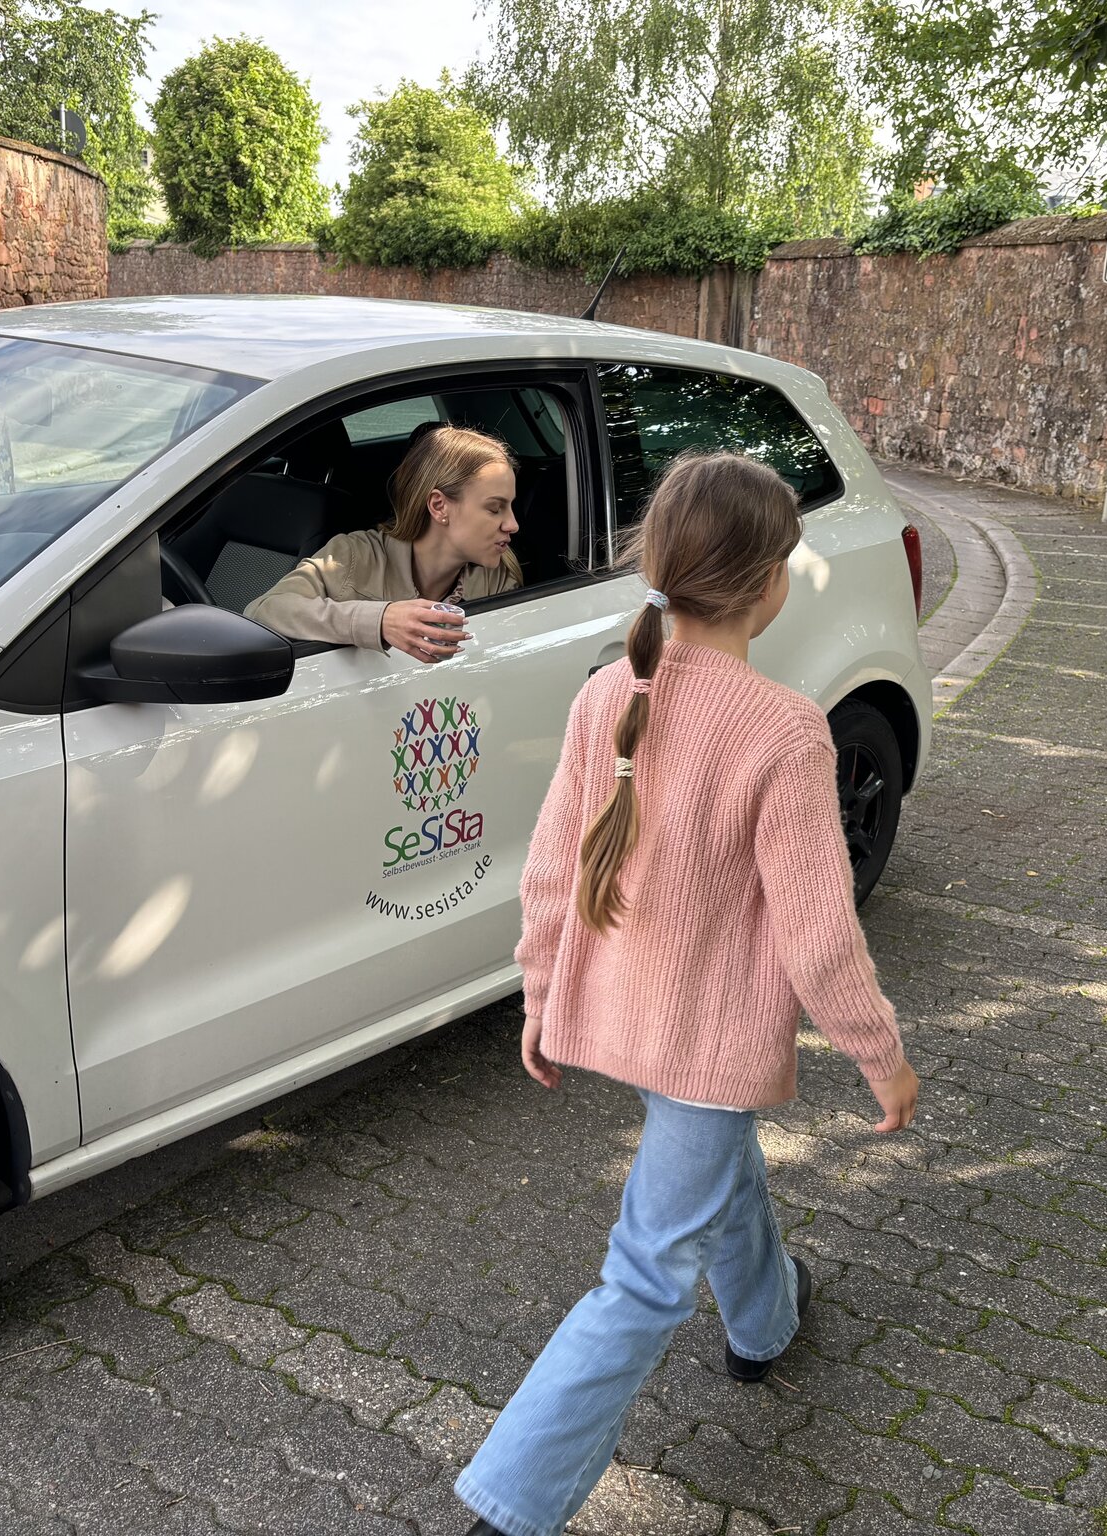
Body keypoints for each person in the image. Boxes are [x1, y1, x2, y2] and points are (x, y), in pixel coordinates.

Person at [453, 451, 920, 1536]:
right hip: (703, 1044)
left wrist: (540, 995)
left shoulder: (608, 692)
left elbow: (548, 871)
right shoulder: (782, 728)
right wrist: (882, 1056)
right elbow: (818, 933)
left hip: (624, 1020)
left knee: (713, 1163)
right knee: (646, 1277)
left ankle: (766, 1322)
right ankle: (509, 1506)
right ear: (769, 583)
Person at [245, 423, 522, 662]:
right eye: (495, 508)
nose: (512, 524)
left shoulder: (496, 579)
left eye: (510, 507)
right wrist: (380, 621)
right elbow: (263, 610)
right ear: (439, 506)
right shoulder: (354, 555)